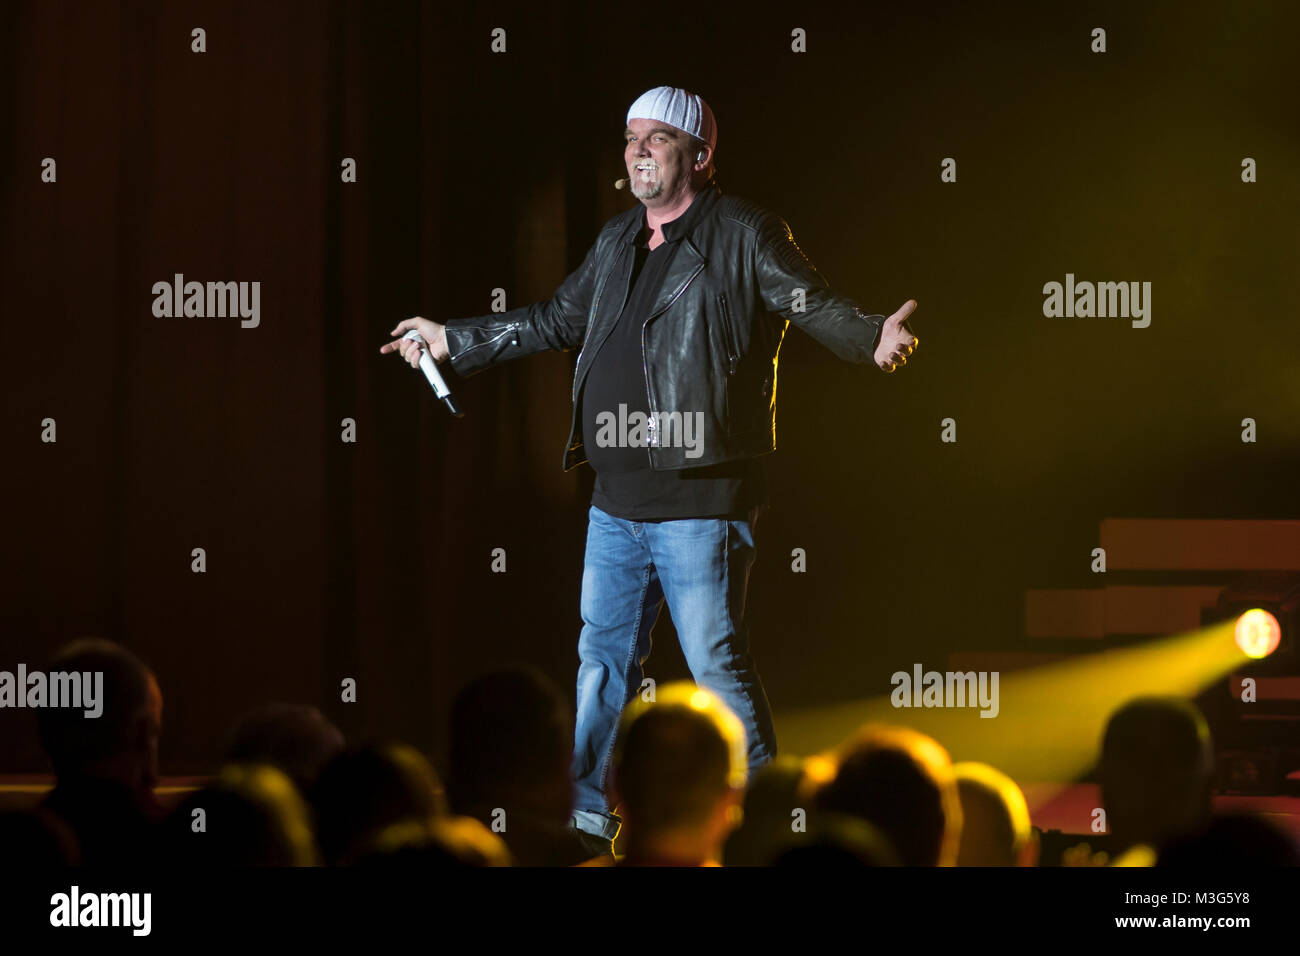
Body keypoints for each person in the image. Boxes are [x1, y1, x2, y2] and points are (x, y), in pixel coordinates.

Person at [381, 85, 920, 854]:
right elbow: (556, 320)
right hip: (617, 499)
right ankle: (588, 820)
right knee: (600, 661)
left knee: (715, 663)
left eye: (658, 138)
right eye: (631, 137)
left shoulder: (742, 232)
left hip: (701, 494)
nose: (638, 149)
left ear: (699, 155)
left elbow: (806, 299)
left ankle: (767, 822)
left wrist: (868, 337)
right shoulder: (616, 241)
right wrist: (453, 341)